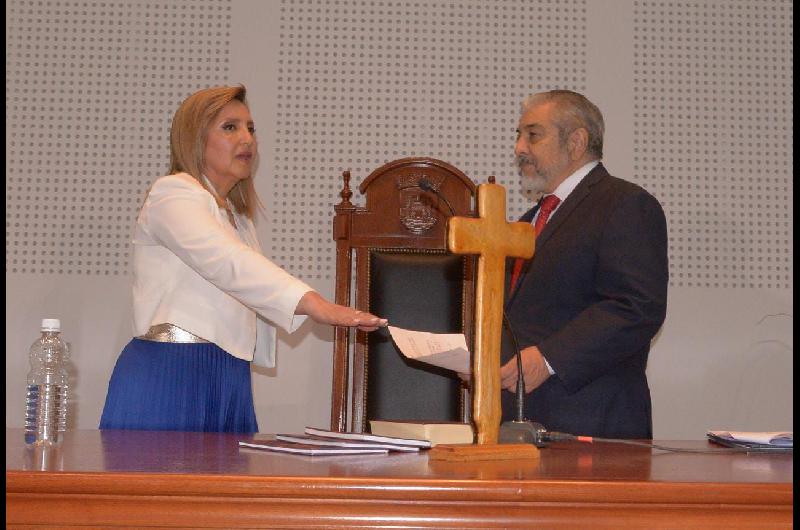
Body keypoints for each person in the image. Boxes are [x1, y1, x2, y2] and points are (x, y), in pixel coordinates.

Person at [100, 85, 387, 433]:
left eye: (250, 128)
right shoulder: (172, 193)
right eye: (230, 127)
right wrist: (316, 305)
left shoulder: (237, 217)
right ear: (195, 138)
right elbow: (228, 263)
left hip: (228, 373)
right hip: (172, 371)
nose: (247, 139)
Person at [499, 90, 668, 439]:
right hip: (521, 426)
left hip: (592, 425)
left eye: (533, 135)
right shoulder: (528, 222)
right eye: (518, 135)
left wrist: (547, 359)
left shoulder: (625, 204)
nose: (519, 148)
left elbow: (636, 307)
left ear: (576, 141)